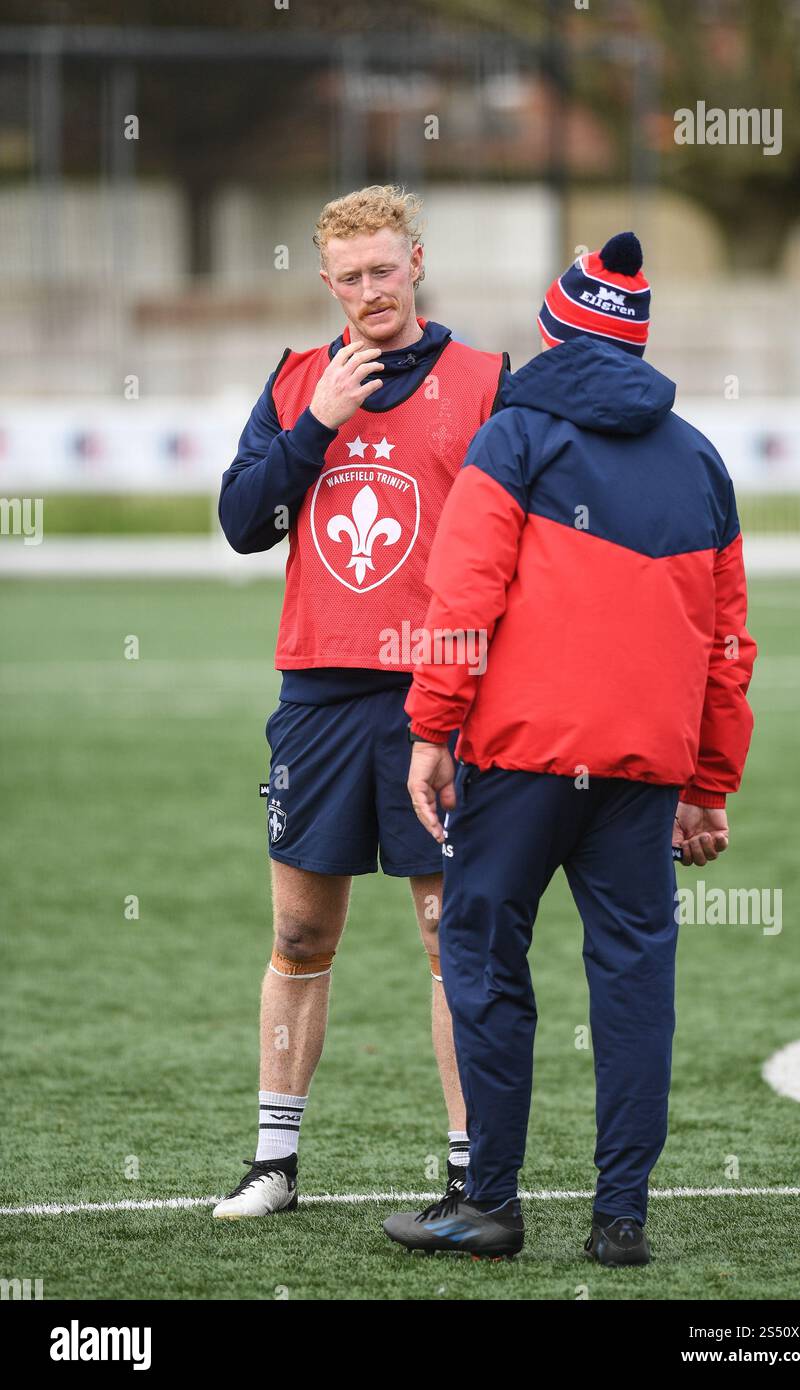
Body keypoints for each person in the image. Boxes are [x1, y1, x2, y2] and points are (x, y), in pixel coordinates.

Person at [383, 232, 757, 1263]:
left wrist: (429, 728)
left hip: (519, 759)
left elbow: (462, 603)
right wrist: (708, 784)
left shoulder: (513, 434)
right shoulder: (699, 461)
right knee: (634, 984)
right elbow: (726, 646)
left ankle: (489, 1205)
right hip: (642, 774)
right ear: (633, 346)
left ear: (553, 334)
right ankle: (620, 1218)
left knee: (485, 959)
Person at [213, 186, 508, 1219]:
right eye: (350, 277)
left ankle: (471, 1168)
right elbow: (244, 521)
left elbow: (518, 541)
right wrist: (315, 425)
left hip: (438, 698)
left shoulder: (483, 379)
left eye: (386, 270)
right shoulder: (299, 380)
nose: (371, 292)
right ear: (325, 282)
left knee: (448, 936)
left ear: (414, 262)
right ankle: (274, 1165)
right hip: (319, 698)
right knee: (298, 934)